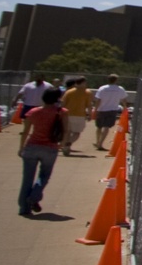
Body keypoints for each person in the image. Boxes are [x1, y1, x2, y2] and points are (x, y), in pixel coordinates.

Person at [18, 87, 65, 216]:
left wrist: (21, 147)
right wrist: (62, 144)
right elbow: (66, 130)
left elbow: (25, 131)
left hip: (32, 146)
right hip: (50, 147)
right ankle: (35, 195)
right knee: (44, 175)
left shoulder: (33, 112)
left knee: (27, 178)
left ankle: (24, 208)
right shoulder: (62, 112)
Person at [91, 74, 128, 150]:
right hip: (112, 109)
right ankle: (100, 143)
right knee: (106, 127)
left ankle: (98, 141)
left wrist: (95, 109)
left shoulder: (102, 88)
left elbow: (98, 100)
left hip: (101, 109)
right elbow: (124, 99)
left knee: (99, 126)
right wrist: (125, 107)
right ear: (116, 80)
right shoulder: (120, 89)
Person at [61, 76, 92, 156]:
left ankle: (65, 146)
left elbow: (63, 103)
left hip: (68, 114)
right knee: (77, 132)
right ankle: (68, 144)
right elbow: (89, 105)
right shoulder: (87, 92)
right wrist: (90, 114)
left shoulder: (69, 92)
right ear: (83, 83)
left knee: (68, 131)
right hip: (80, 115)